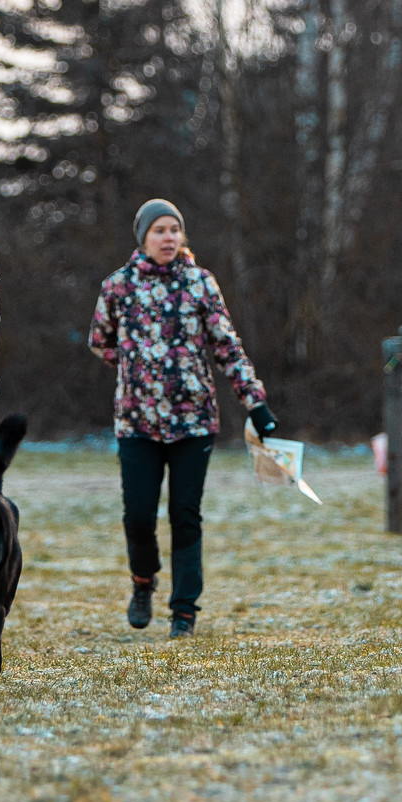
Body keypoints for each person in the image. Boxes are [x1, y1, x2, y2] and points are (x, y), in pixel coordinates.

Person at [88, 199, 276, 638]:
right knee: (138, 514)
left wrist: (255, 402)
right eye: (160, 230)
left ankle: (184, 613)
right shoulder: (118, 286)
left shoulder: (200, 283)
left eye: (175, 229)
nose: (169, 237)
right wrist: (134, 366)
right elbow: (99, 341)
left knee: (185, 514)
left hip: (193, 422)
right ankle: (143, 581)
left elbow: (227, 346)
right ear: (143, 238)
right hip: (137, 422)